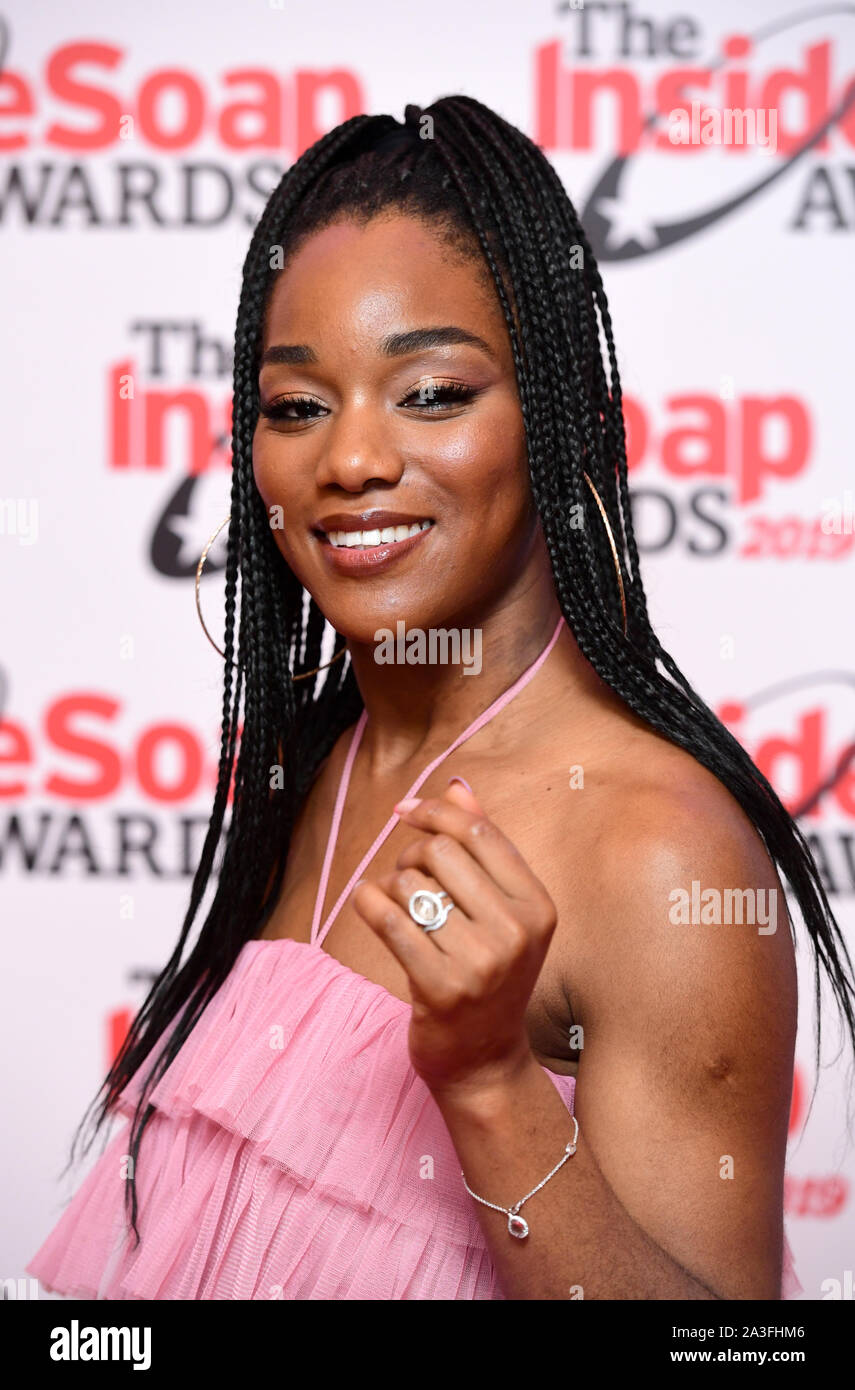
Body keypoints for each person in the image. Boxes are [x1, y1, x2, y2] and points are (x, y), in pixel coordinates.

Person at [27, 96, 854, 1300]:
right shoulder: (315, 765)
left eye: (432, 393)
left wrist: (487, 1083)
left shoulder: (658, 854)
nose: (350, 459)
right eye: (296, 406)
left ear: (556, 414)